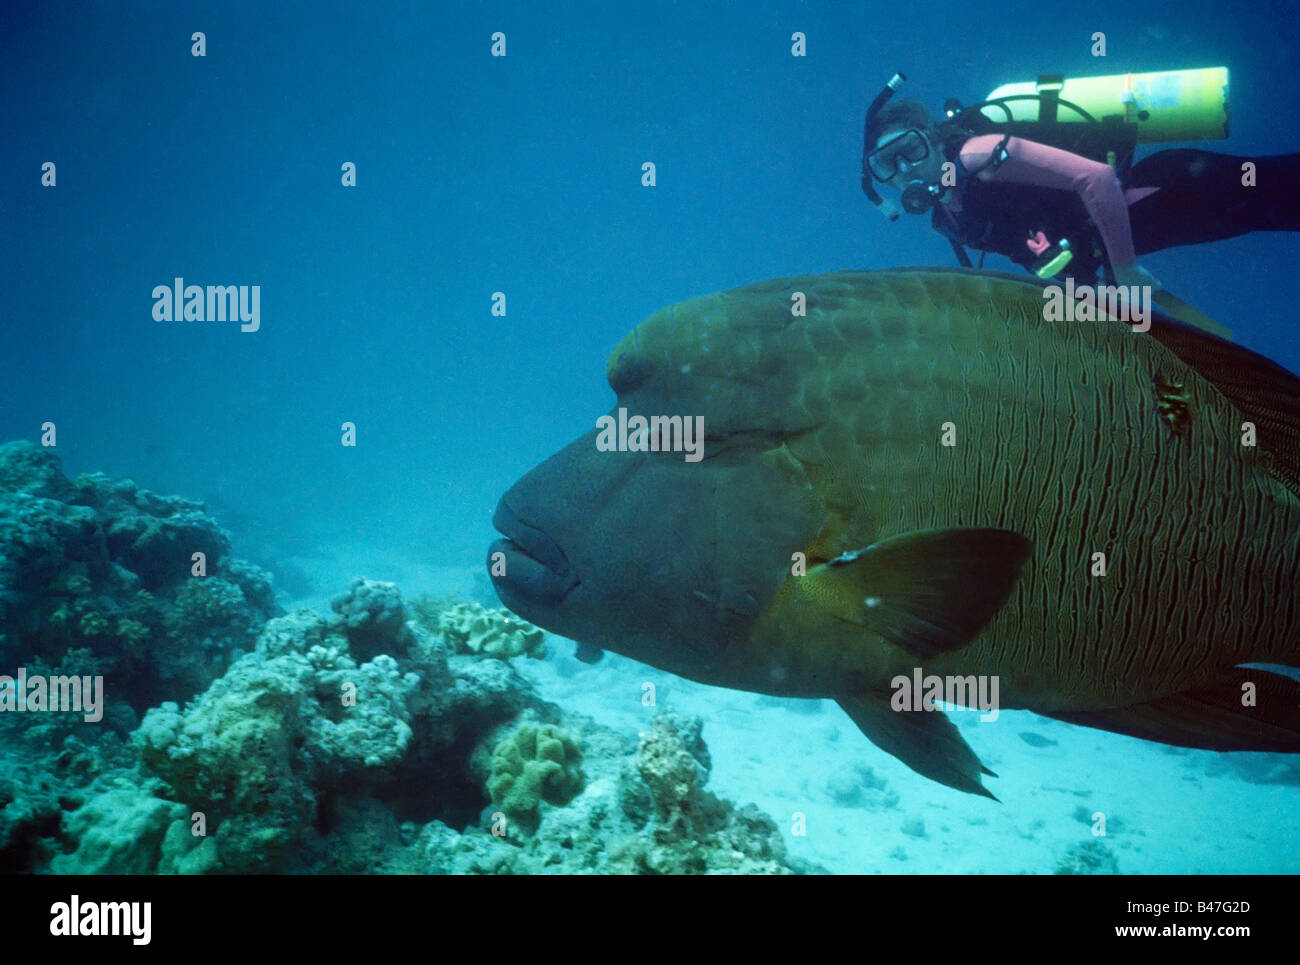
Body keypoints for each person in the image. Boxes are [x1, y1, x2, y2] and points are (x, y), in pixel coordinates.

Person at [861, 86, 1300, 291]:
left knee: (1284, 193)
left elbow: (1097, 179)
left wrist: (1124, 269)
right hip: (1157, 225)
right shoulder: (948, 220)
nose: (904, 169)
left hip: (1170, 187)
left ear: (934, 139)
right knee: (1279, 215)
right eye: (886, 164)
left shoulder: (979, 154)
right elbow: (1029, 251)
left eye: (911, 149)